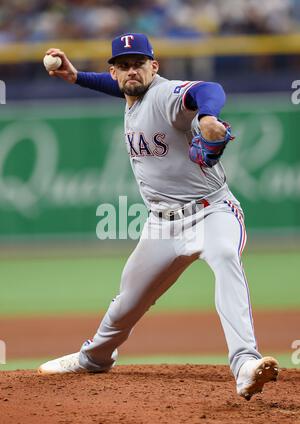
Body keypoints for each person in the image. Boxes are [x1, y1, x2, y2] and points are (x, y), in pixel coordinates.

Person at [38, 33, 279, 400]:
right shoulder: (130, 92)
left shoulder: (167, 94)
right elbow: (121, 86)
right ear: (114, 72)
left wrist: (209, 115)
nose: (130, 70)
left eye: (138, 63)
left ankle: (246, 363)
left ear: (155, 66)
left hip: (211, 211)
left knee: (225, 258)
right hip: (161, 225)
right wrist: (76, 76)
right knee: (127, 302)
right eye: (122, 65)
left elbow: (207, 87)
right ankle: (95, 357)